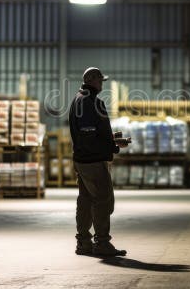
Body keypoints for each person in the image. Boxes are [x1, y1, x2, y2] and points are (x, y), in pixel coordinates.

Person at [68, 67, 128, 257]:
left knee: (85, 201)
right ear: (91, 80)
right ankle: (102, 243)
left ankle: (84, 243)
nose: (102, 83)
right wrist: (112, 147)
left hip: (84, 159)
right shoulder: (88, 101)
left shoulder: (81, 99)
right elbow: (88, 135)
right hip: (92, 161)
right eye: (100, 80)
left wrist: (112, 140)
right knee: (103, 201)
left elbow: (90, 133)